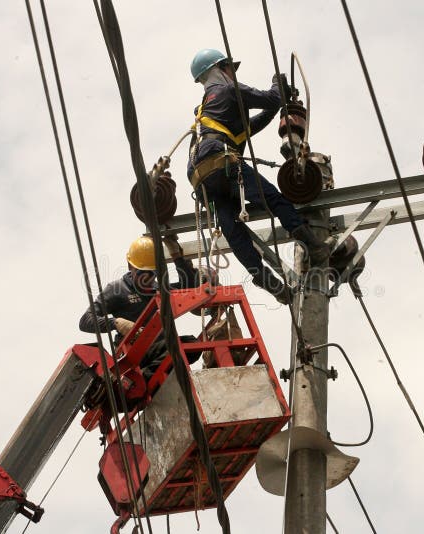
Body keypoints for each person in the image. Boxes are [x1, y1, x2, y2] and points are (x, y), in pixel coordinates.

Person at [186, 48, 331, 305]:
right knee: (272, 198)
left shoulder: (208, 108)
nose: (232, 73)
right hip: (221, 161)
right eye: (230, 68)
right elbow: (270, 99)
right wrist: (278, 85)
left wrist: (278, 105)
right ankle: (315, 245)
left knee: (232, 229)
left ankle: (266, 280)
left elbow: (250, 126)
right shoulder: (230, 91)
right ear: (219, 68)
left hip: (202, 177)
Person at [78, 235, 200, 379]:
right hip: (134, 352)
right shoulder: (117, 289)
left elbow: (191, 289)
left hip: (160, 349)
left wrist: (176, 256)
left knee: (192, 345)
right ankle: (141, 379)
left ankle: (146, 377)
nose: (148, 278)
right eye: (142, 272)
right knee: (178, 348)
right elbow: (85, 321)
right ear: (130, 266)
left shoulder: (158, 289)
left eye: (152, 273)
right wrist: (116, 323)